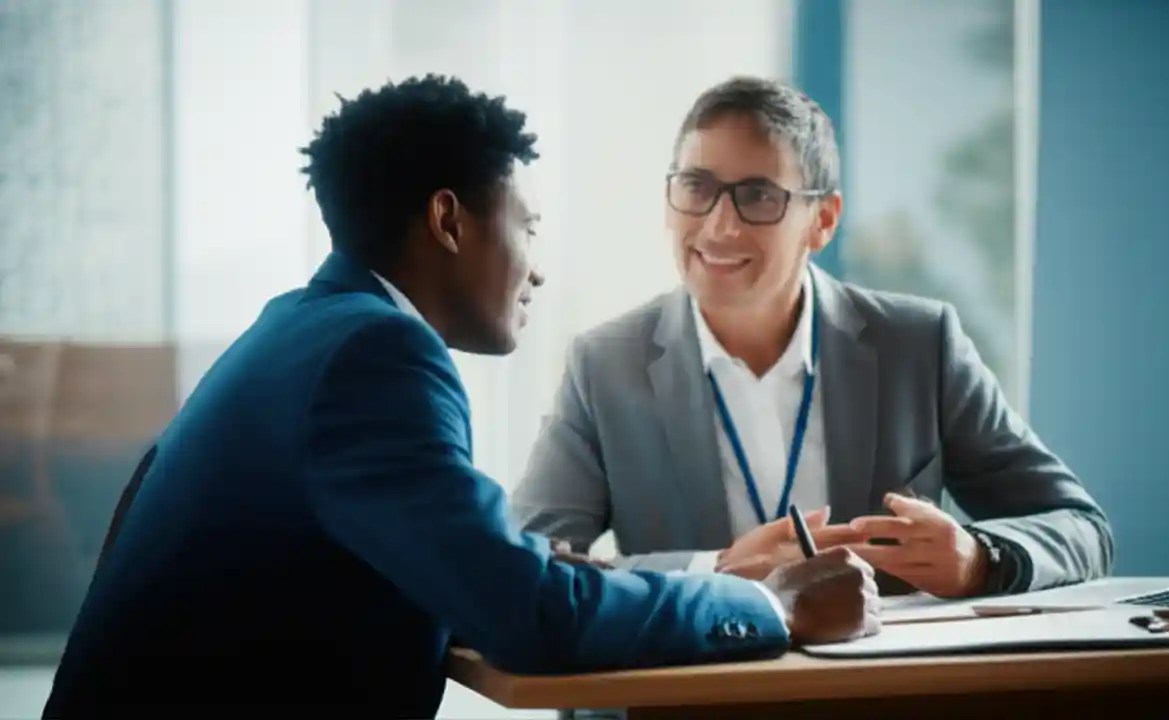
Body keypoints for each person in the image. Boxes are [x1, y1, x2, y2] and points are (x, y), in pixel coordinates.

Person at [43, 76, 879, 718]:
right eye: (529, 228)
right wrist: (769, 602)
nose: (538, 268)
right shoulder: (380, 353)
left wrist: (521, 569)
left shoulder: (304, 327)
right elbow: (529, 617)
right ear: (448, 221)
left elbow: (482, 576)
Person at [514, 76, 1114, 599]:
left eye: (757, 197)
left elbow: (1080, 527)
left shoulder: (919, 345)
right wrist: (716, 571)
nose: (719, 225)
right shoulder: (604, 366)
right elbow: (524, 566)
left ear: (822, 220)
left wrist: (980, 559)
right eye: (696, 187)